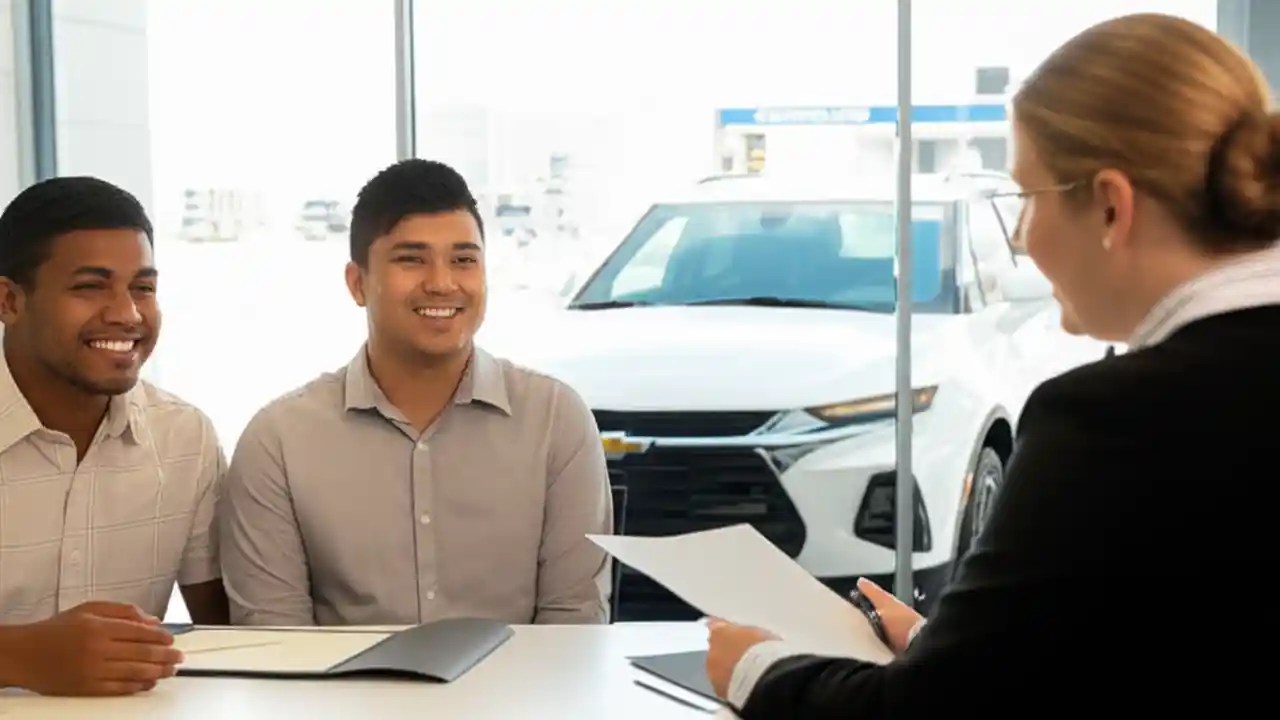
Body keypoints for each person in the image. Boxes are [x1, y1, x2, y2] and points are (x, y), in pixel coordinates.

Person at [707, 13, 1280, 717]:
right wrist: (961, 644)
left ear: (1109, 206)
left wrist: (757, 669)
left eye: (1025, 200)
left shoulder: (1115, 418)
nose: (1018, 237)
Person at [220, 159, 612, 626]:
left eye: (464, 260)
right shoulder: (279, 441)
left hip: (520, 697)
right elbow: (275, 638)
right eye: (412, 259)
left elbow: (574, 623)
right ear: (357, 282)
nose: (442, 283)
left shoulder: (556, 420)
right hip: (343, 700)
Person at [0, 177, 228, 695]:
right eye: (89, 286)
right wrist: (18, 655)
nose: (126, 314)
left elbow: (232, 639)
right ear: (9, 301)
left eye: (142, 288)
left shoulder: (184, 439)